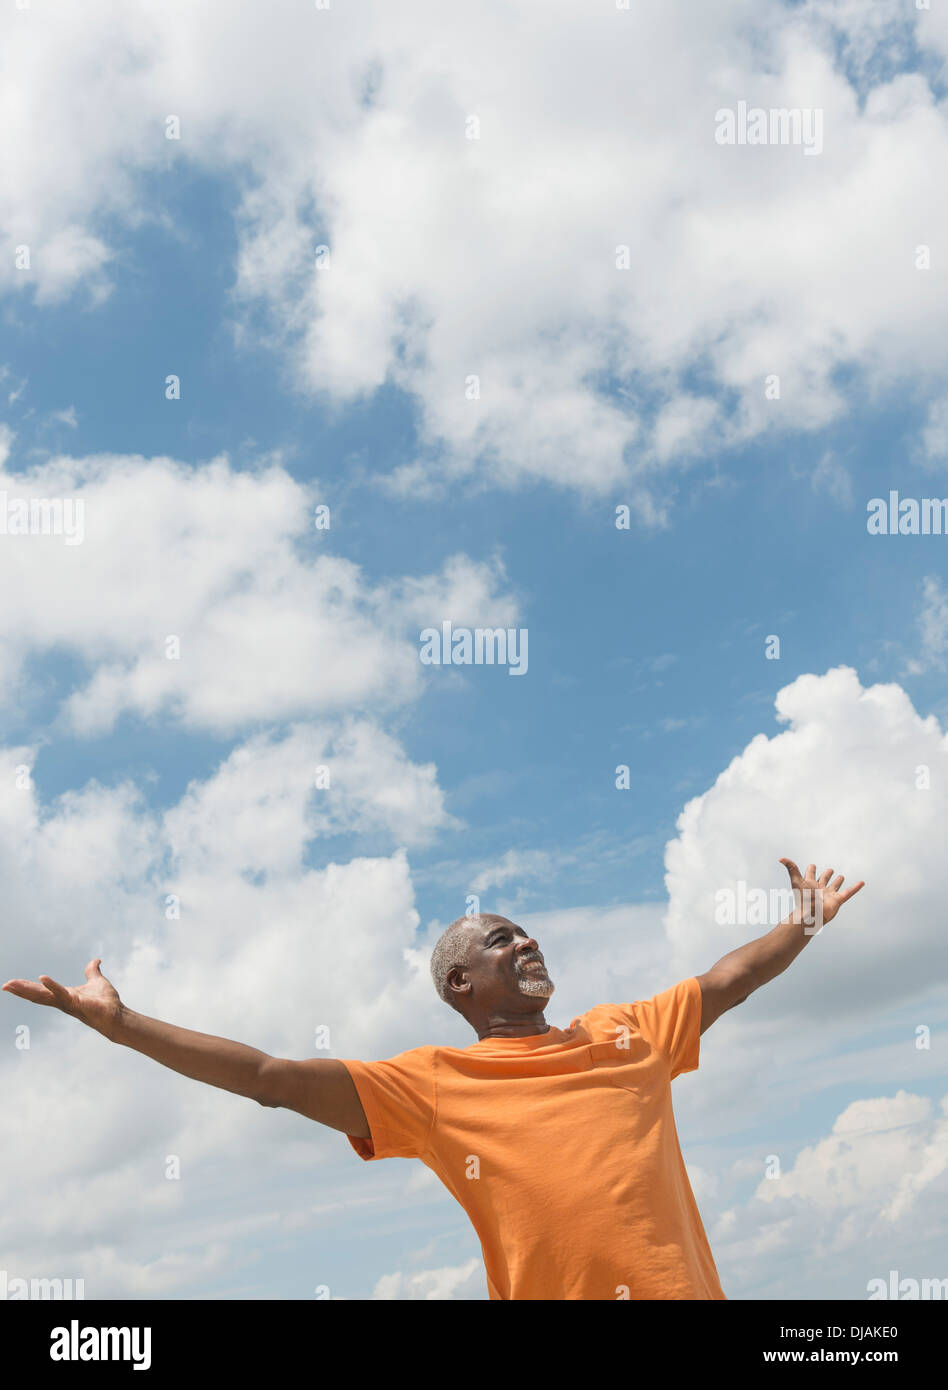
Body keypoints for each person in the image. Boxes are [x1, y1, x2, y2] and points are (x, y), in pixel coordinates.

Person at [2, 858, 863, 1300]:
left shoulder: (628, 1033)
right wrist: (121, 1026)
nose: (527, 943)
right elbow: (270, 1076)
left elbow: (728, 981)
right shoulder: (434, 1086)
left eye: (528, 933)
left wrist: (802, 923)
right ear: (461, 985)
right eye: (502, 940)